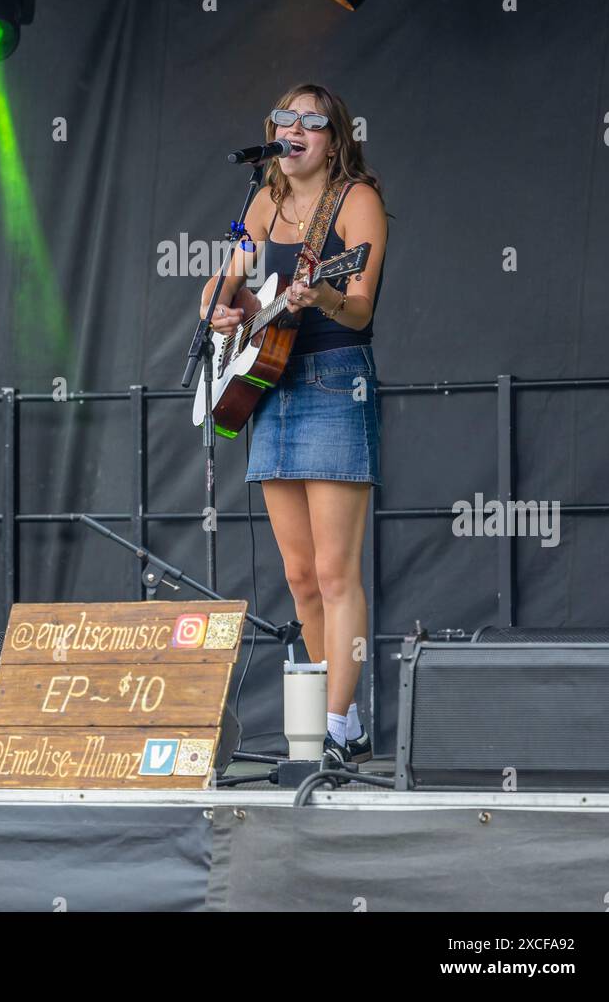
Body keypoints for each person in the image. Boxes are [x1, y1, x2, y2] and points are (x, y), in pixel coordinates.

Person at [199, 83, 388, 772]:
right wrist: (222, 311)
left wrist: (324, 293)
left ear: (335, 138)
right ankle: (337, 725)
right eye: (286, 119)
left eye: (313, 122)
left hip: (335, 380)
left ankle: (336, 724)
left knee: (337, 572)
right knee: (300, 574)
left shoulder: (355, 199)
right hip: (267, 385)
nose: (297, 129)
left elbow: (359, 308)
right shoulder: (262, 200)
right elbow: (224, 282)